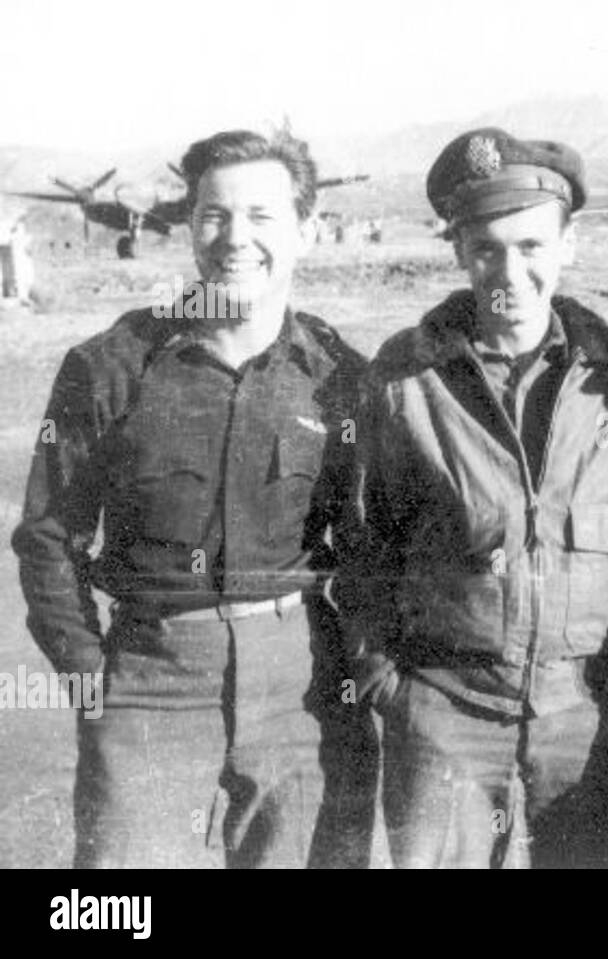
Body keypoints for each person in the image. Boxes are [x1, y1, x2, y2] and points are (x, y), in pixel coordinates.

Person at [11, 129, 375, 868]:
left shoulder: (341, 378)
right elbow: (48, 536)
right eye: (214, 214)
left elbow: (378, 544)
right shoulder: (110, 367)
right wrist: (93, 680)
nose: (236, 238)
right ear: (188, 223)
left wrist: (366, 672)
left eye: (262, 216)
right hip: (149, 680)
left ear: (306, 230)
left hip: (302, 686)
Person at [340, 128, 608, 868]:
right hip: (444, 709)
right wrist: (385, 678)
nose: (508, 270)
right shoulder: (402, 381)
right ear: (458, 252)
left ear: (567, 245)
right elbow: (361, 541)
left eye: (531, 246)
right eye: (485, 249)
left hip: (588, 710)